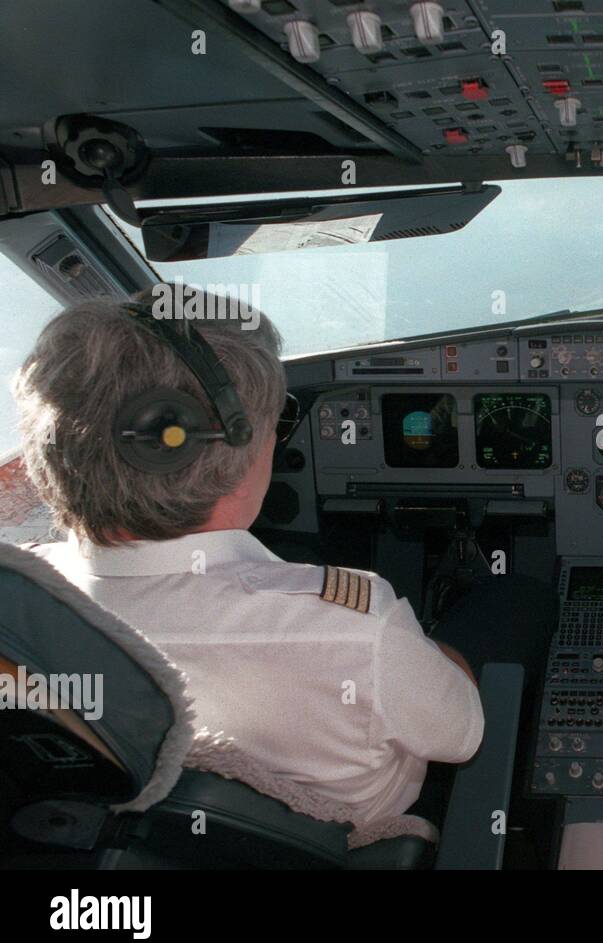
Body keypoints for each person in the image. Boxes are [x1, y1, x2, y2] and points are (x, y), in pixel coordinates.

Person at [11, 288, 484, 827]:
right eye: (272, 424)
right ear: (237, 450)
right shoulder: (356, 624)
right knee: (513, 604)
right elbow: (462, 737)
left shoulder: (17, 608)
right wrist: (418, 643)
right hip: (346, 843)